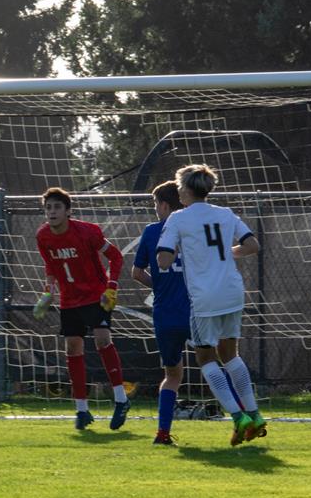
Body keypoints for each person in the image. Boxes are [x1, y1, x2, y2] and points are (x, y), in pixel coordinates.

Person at [154, 164, 265, 446]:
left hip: (205, 297)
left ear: (187, 189)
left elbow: (163, 261)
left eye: (179, 185)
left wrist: (182, 251)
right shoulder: (225, 214)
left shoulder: (178, 218)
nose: (178, 190)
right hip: (232, 291)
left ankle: (240, 418)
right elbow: (252, 246)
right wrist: (225, 254)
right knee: (231, 354)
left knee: (206, 358)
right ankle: (255, 414)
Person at [32, 187, 129, 431]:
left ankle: (121, 399)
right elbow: (51, 265)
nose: (52, 212)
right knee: (72, 347)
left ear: (68, 211)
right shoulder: (43, 236)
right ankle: (82, 410)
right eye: (48, 208)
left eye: (57, 207)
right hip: (69, 298)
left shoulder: (88, 232)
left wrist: (111, 288)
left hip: (96, 296)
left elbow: (116, 257)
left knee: (102, 340)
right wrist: (47, 292)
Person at [132, 180, 191, 447]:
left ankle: (162, 433)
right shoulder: (193, 231)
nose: (155, 209)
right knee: (217, 364)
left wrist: (161, 285)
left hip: (165, 314)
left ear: (164, 205)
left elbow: (136, 272)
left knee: (172, 374)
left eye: (155, 204)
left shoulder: (152, 231)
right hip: (195, 310)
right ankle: (243, 420)